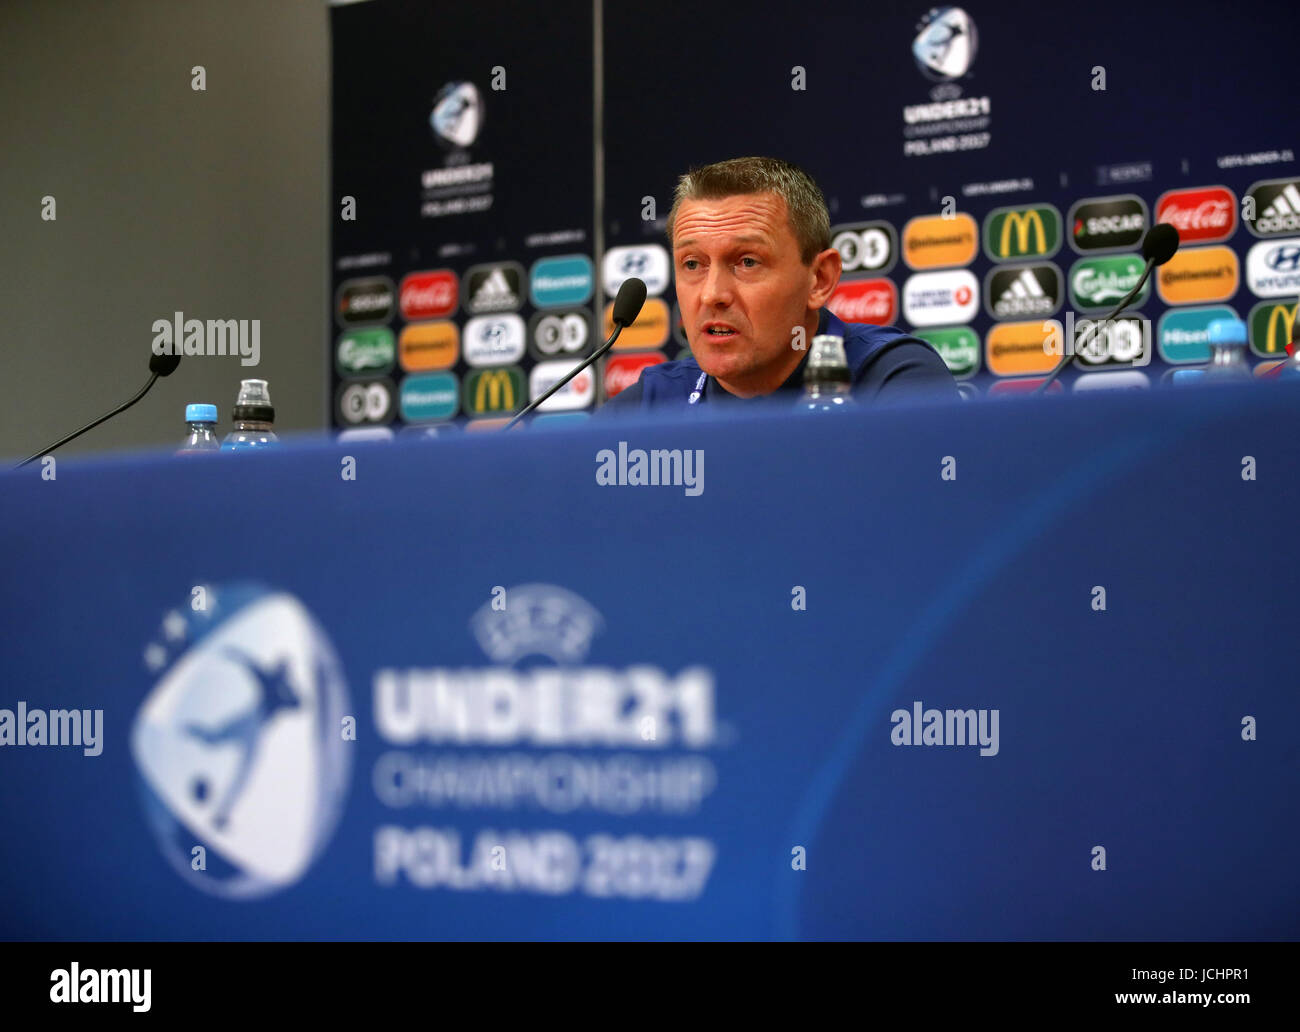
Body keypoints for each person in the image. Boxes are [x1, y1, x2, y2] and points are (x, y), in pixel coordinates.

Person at [599, 156, 958, 414]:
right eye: (693, 264)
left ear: (819, 279)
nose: (712, 295)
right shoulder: (647, 407)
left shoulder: (895, 379)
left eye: (747, 262)